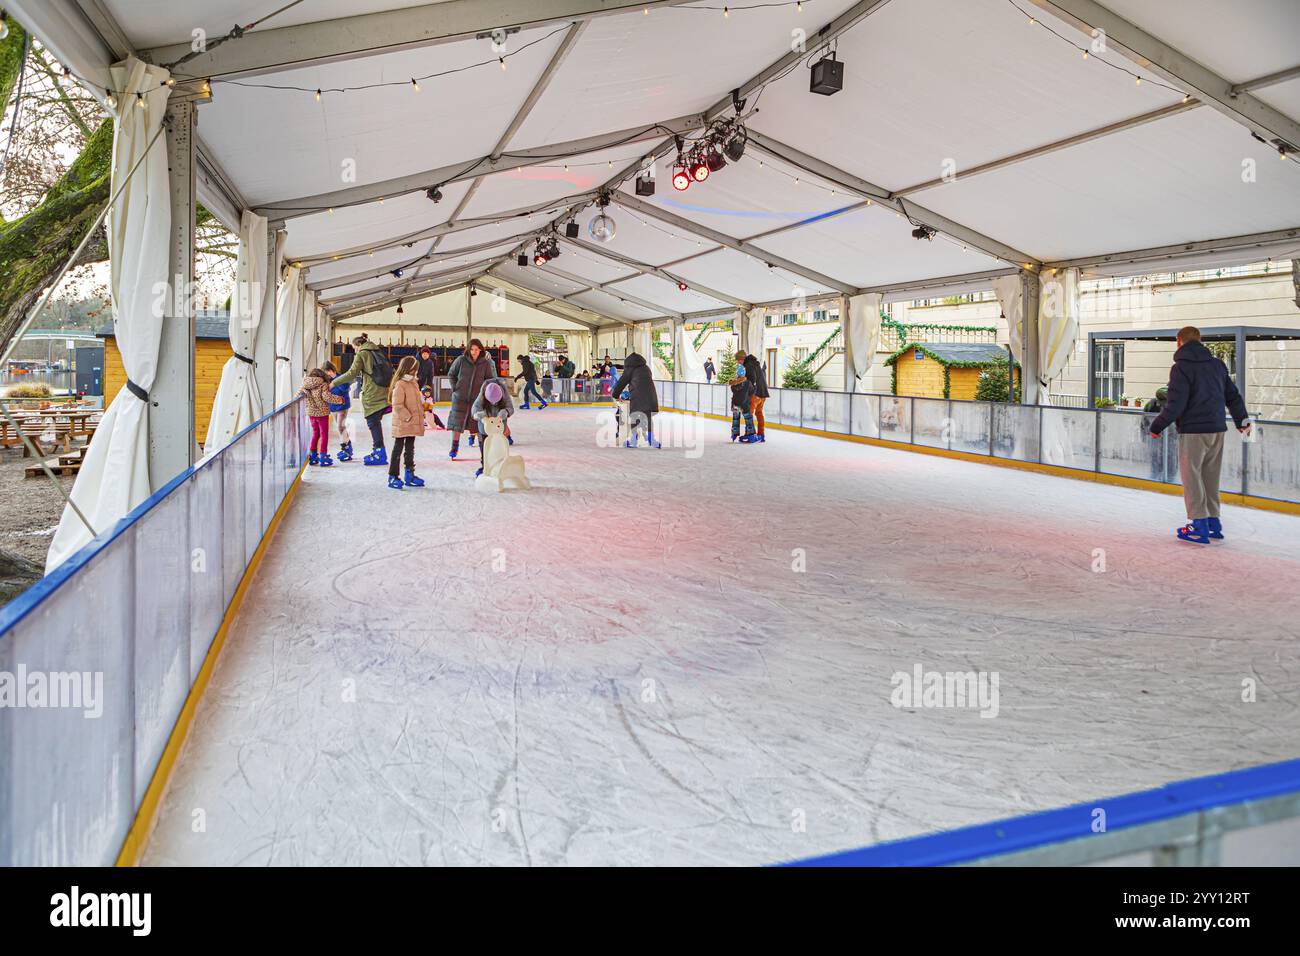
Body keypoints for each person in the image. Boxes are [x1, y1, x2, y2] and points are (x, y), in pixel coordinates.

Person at [1148, 326, 1251, 544]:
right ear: (1199, 341)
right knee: (1210, 477)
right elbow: (1233, 396)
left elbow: (1175, 404)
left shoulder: (1181, 368)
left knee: (1192, 478)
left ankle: (1198, 525)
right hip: (1216, 430)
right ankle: (1214, 522)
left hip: (1194, 431)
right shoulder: (1217, 365)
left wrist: (1156, 426)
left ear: (1179, 341)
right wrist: (1242, 421)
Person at [329, 333, 394, 466]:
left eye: (354, 348)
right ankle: (378, 451)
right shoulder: (378, 351)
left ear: (358, 345)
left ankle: (380, 453)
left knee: (373, 421)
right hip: (384, 391)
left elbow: (351, 373)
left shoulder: (363, 354)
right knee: (375, 421)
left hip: (372, 393)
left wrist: (334, 383)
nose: (355, 351)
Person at [447, 338, 494, 459]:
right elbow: (451, 374)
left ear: (480, 350)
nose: (474, 352)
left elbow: (489, 380)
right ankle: (454, 447)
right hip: (460, 398)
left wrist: (485, 395)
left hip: (477, 400)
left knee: (478, 425)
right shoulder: (461, 360)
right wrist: (455, 388)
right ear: (468, 349)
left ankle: (483, 450)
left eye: (476, 349)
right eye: (472, 349)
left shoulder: (485, 363)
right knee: (457, 424)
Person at [386, 356, 425, 489]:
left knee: (410, 449)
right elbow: (397, 405)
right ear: (409, 368)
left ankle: (409, 474)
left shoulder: (414, 382)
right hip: (403, 423)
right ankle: (393, 476)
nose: (416, 371)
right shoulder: (400, 384)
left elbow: (416, 401)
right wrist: (408, 417)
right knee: (398, 449)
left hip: (411, 423)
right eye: (415, 368)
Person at [611, 352, 660, 448]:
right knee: (648, 416)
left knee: (635, 416)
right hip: (650, 395)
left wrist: (615, 395)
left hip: (638, 395)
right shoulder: (646, 368)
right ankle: (651, 439)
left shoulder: (630, 369)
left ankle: (634, 440)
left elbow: (621, 382)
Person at [471, 379, 516, 477]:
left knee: (498, 448)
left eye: (496, 401)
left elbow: (511, 408)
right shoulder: (482, 394)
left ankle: (499, 467)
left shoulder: (505, 394)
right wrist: (479, 415)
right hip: (485, 428)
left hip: (499, 428)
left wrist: (506, 412)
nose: (494, 404)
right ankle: (484, 467)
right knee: (485, 448)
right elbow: (474, 409)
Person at [299, 363, 337, 467]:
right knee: (324, 435)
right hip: (322, 413)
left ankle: (313, 455)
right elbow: (327, 397)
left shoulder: (305, 385)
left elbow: (298, 394)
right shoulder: (323, 384)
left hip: (311, 413)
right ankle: (323, 456)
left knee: (316, 433)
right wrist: (340, 400)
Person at [741, 350, 770, 443]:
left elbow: (752, 379)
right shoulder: (756, 364)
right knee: (759, 413)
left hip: (756, 393)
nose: (738, 363)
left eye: (738, 361)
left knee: (749, 414)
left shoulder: (748, 365)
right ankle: (761, 434)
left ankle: (749, 434)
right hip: (763, 393)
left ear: (742, 359)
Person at [1142, 387, 1169, 481]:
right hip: (1154, 434)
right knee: (1154, 454)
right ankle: (1155, 473)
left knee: (1167, 454)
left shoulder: (1172, 404)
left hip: (1168, 436)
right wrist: (1144, 434)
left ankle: (1167, 475)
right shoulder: (1151, 404)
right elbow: (1144, 420)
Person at [327, 367, 354, 461]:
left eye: (327, 372)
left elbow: (345, 388)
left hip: (342, 406)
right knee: (340, 428)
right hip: (333, 406)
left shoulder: (341, 377)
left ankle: (345, 448)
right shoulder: (327, 380)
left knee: (340, 427)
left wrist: (335, 382)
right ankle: (348, 446)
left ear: (331, 370)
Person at [730, 365, 757, 443]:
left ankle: (734, 434)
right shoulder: (747, 383)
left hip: (735, 404)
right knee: (748, 419)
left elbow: (734, 391)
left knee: (735, 420)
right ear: (744, 373)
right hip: (744, 404)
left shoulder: (733, 384)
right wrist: (755, 386)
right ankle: (751, 434)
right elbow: (752, 392)